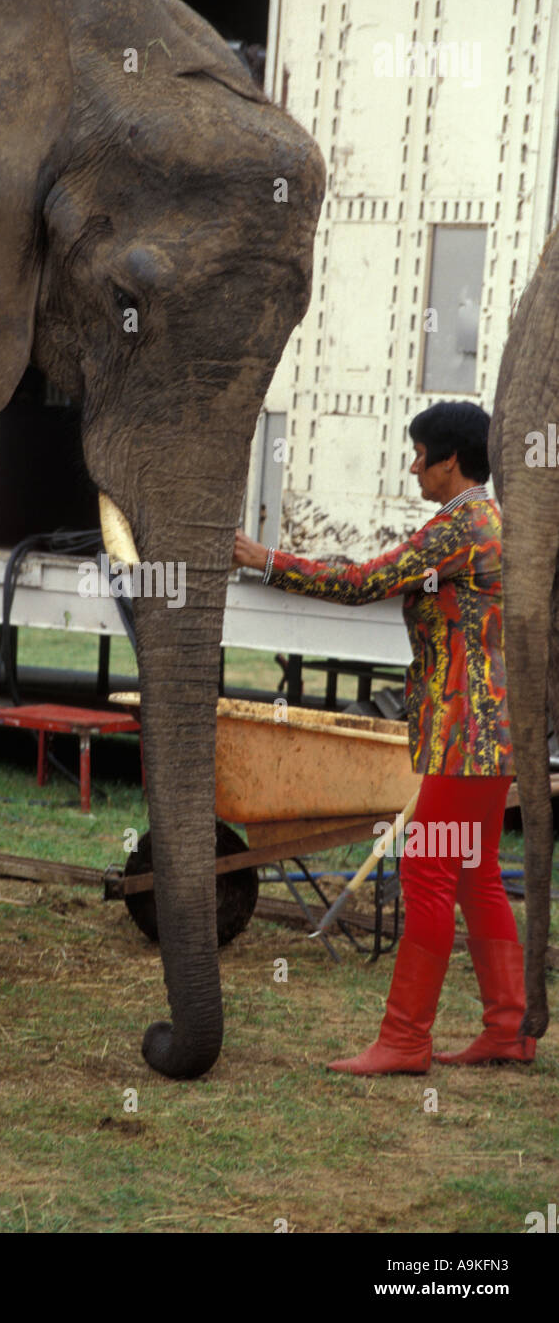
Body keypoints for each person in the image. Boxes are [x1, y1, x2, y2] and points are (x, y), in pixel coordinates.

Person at [234, 400, 535, 1074]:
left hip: (465, 734)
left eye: (419, 454)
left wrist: (266, 560)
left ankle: (405, 1039)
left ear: (448, 461)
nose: (412, 466)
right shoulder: (490, 522)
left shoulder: (460, 527)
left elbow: (365, 581)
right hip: (492, 734)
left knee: (429, 870)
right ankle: (508, 1028)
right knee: (474, 871)